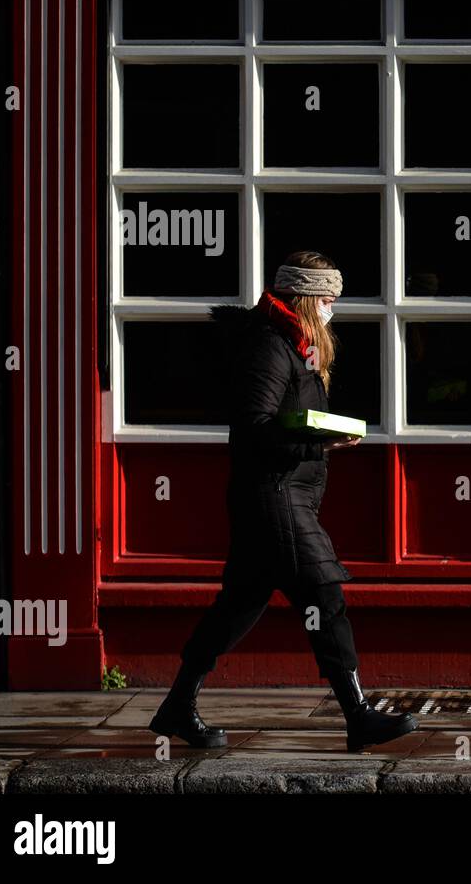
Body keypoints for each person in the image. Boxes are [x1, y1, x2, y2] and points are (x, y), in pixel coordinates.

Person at [149, 250, 419, 753]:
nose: (332, 310)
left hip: (282, 496)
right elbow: (254, 427)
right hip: (274, 497)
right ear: (306, 297)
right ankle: (358, 715)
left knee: (239, 606)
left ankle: (177, 706)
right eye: (328, 299)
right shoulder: (271, 348)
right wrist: (322, 443)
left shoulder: (295, 347)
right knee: (325, 596)